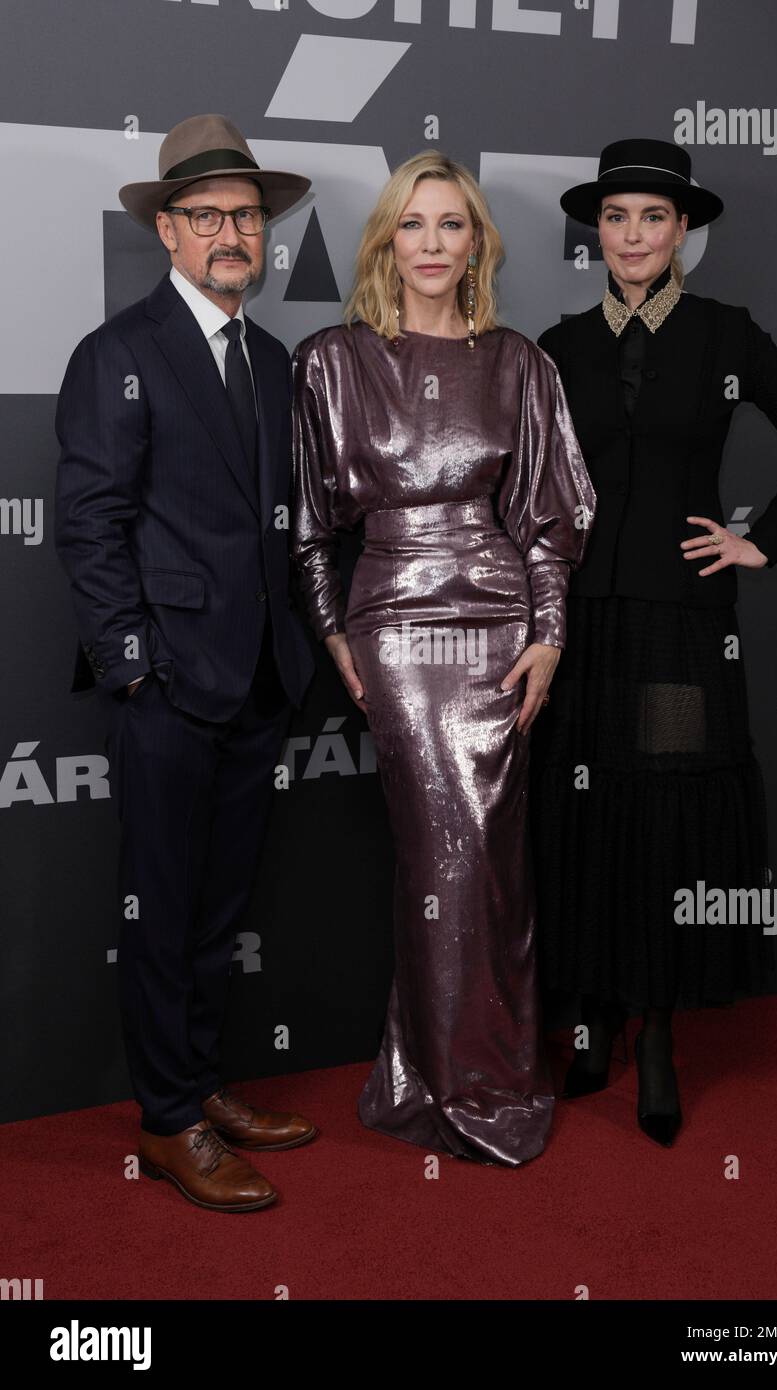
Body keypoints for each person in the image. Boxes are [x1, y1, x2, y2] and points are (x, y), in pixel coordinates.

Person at [530, 138, 777, 1145]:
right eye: (616, 216)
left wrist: (763, 540)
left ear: (680, 232)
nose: (632, 235)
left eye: (652, 218)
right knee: (585, 818)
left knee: (664, 819)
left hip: (680, 629)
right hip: (582, 624)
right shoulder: (558, 346)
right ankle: (592, 1019)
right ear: (597, 230)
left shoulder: (725, 334)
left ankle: (657, 1033)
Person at [290, 151, 596, 1166]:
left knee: (494, 859)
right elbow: (309, 526)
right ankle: (445, 1079)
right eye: (412, 224)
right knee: (438, 857)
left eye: (451, 225)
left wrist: (548, 634)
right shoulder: (333, 362)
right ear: (387, 240)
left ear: (477, 245)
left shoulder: (519, 364)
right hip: (395, 630)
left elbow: (550, 520)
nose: (431, 243)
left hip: (500, 623)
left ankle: (492, 1069)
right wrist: (332, 629)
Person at [55, 114, 320, 1212]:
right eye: (205, 216)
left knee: (218, 908)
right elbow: (90, 525)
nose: (230, 234)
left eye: (245, 216)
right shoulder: (118, 354)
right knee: (159, 913)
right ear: (166, 231)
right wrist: (132, 667)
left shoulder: (273, 360)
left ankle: (201, 1085)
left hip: (258, 679)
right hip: (165, 684)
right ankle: (167, 1122)